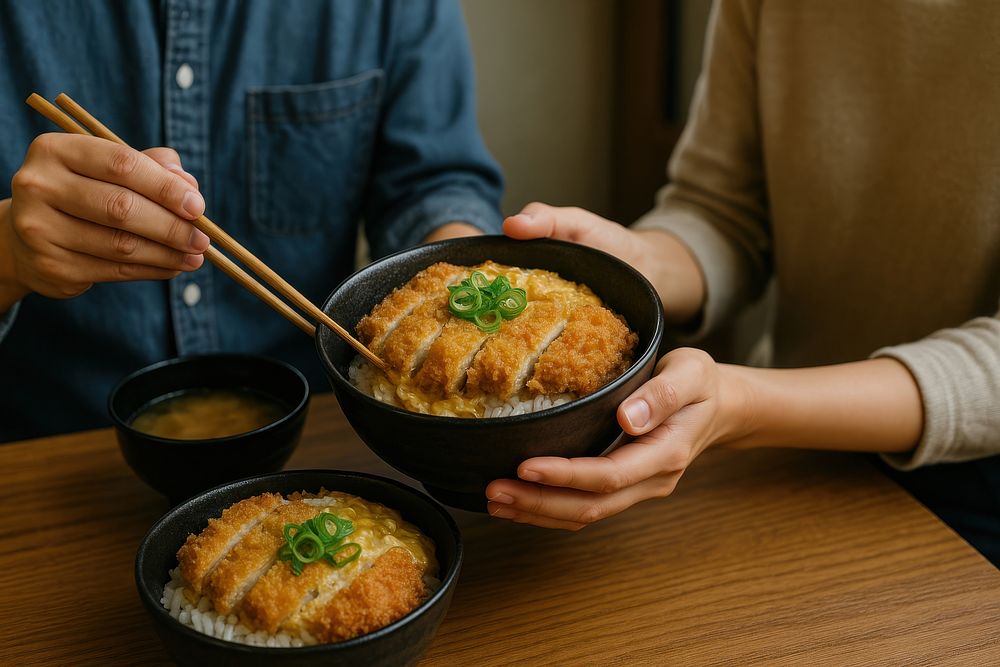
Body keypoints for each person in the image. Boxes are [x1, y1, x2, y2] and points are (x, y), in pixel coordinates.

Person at [485, 0, 1000, 565]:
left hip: (972, 484)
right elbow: (724, 208)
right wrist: (639, 263)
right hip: (792, 451)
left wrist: (745, 403)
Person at [0, 1, 502, 442]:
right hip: (53, 447)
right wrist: (9, 255)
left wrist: (466, 322)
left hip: (325, 430)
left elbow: (432, 183)